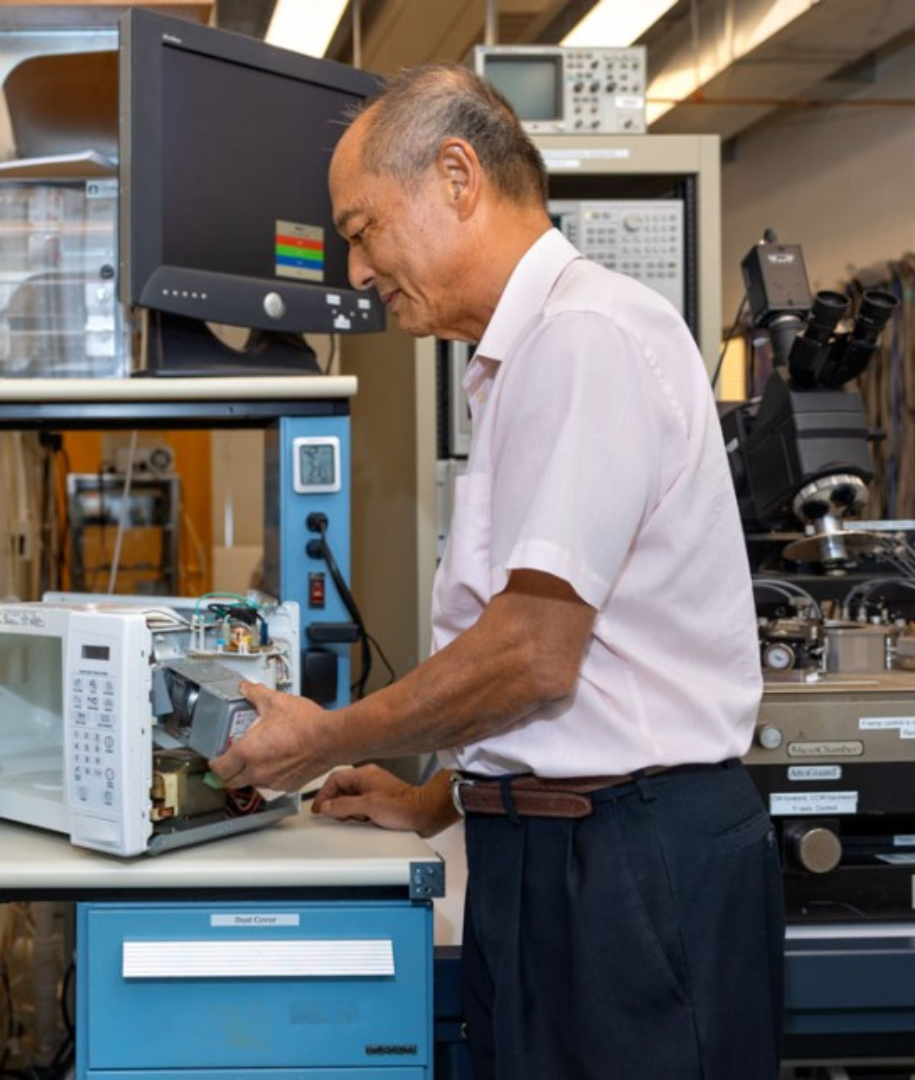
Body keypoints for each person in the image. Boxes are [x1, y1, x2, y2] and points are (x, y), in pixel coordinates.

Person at [209, 66, 783, 1079]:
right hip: (555, 851)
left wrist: (323, 738)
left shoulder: (584, 339)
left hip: (628, 871)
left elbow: (534, 655)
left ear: (458, 176)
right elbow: (566, 666)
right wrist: (436, 799)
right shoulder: (516, 364)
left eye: (362, 227)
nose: (355, 268)